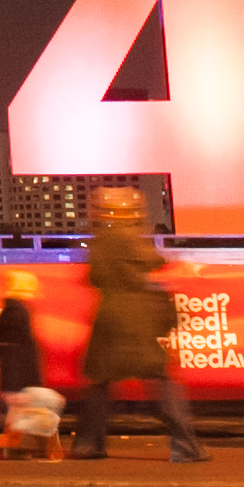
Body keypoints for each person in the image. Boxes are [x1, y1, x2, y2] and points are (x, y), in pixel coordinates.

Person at [70, 185, 201, 463]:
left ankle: (88, 445)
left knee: (99, 386)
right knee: (163, 384)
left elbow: (94, 277)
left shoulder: (99, 243)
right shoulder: (133, 239)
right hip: (138, 321)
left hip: (109, 319)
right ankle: (186, 447)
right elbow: (154, 261)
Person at [0, 268, 62, 457]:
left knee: (17, 412)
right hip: (17, 376)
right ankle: (13, 449)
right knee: (19, 412)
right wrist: (32, 379)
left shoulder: (10, 311)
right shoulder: (19, 312)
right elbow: (22, 349)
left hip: (12, 375)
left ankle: (13, 448)